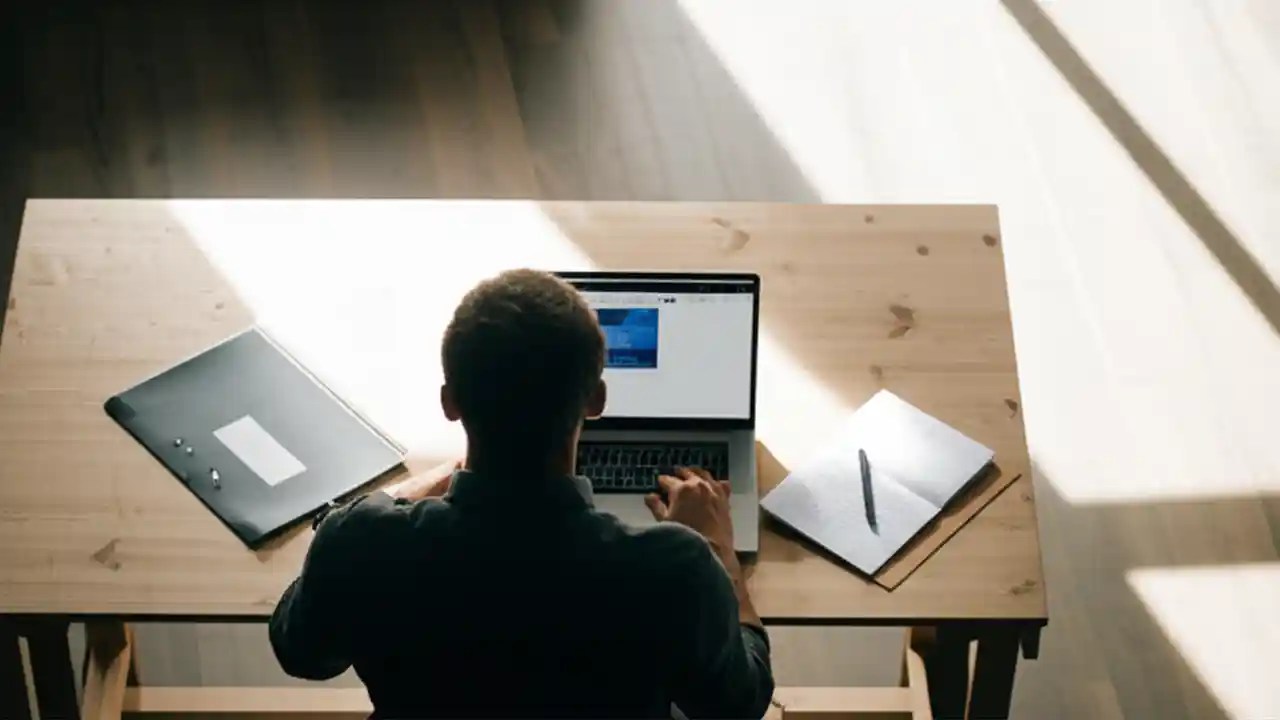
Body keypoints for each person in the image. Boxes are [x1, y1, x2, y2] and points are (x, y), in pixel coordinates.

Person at [269, 269, 774, 719]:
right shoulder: (678, 569)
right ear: (597, 399)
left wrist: (399, 497)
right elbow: (737, 704)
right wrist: (718, 551)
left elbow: (304, 653)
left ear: (450, 403)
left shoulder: (360, 544)